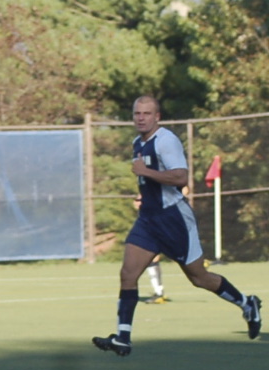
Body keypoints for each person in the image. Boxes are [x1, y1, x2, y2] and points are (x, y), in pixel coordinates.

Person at [93, 95, 261, 356]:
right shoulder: (138, 142)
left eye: (147, 113)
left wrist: (145, 173)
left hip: (173, 219)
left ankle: (247, 303)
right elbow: (149, 180)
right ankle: (123, 338)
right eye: (137, 113)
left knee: (199, 277)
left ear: (157, 116)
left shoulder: (166, 140)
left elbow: (181, 177)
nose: (141, 118)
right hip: (148, 220)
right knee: (128, 274)